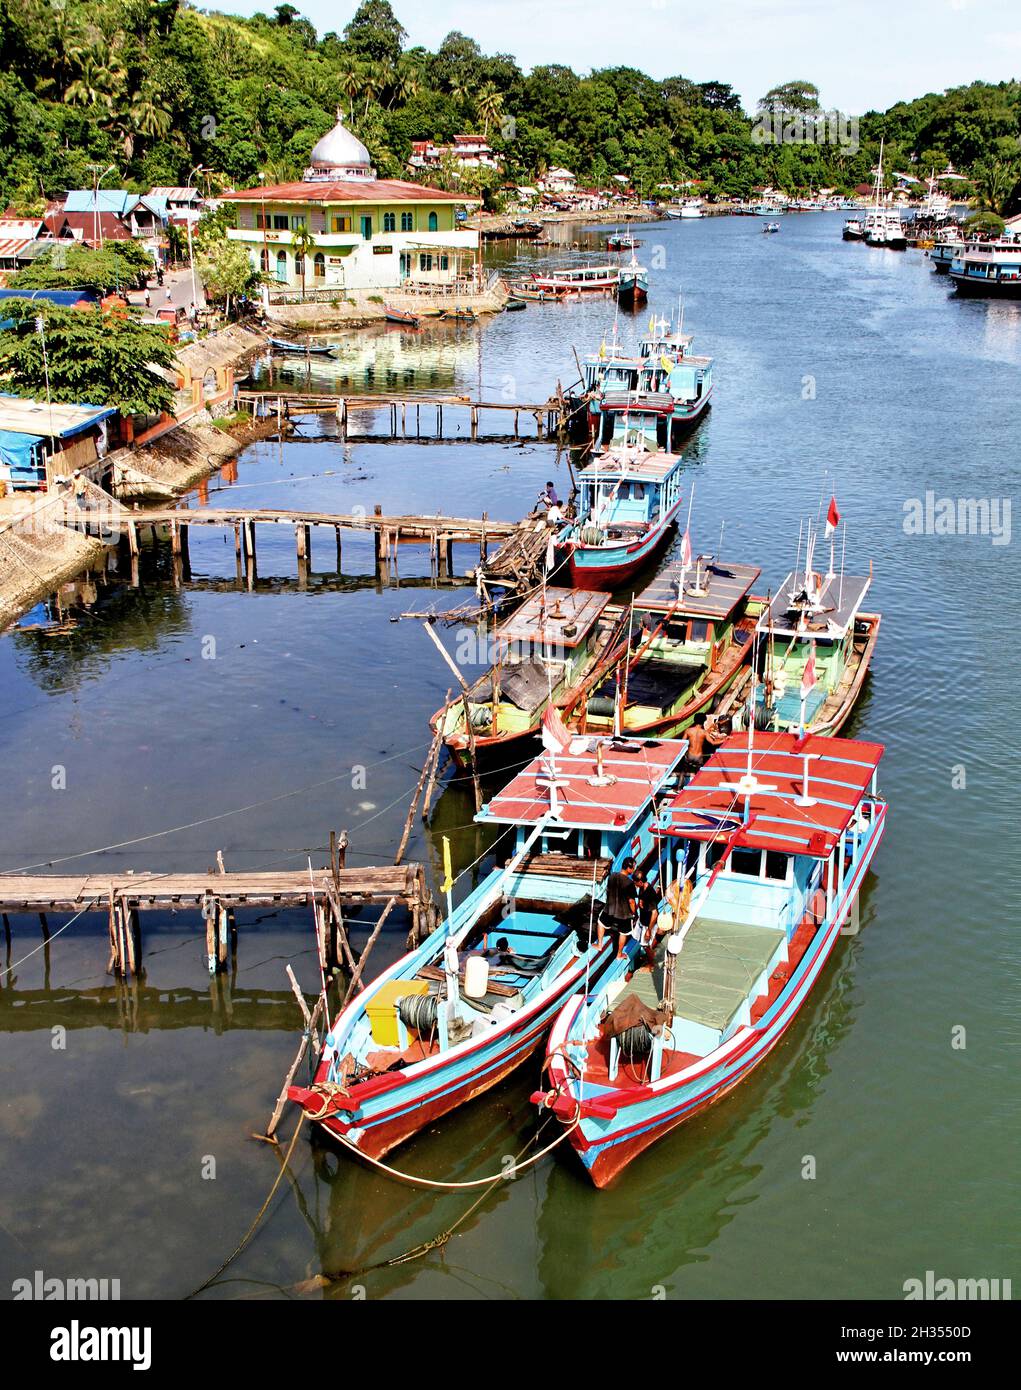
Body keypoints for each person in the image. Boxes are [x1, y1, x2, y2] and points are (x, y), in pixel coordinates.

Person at [597, 857, 638, 958]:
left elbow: (608, 890)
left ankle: (599, 944)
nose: (634, 870)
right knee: (623, 933)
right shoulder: (630, 883)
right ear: (629, 868)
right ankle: (619, 954)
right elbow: (632, 902)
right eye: (633, 867)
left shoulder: (612, 876)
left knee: (601, 922)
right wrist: (634, 913)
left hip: (609, 909)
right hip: (623, 914)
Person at [633, 868, 660, 946]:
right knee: (641, 941)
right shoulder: (642, 887)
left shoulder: (650, 893)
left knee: (646, 945)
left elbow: (655, 914)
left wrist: (649, 930)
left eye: (636, 883)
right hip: (643, 920)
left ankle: (651, 957)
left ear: (640, 882)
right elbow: (641, 898)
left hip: (649, 925)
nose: (635, 884)